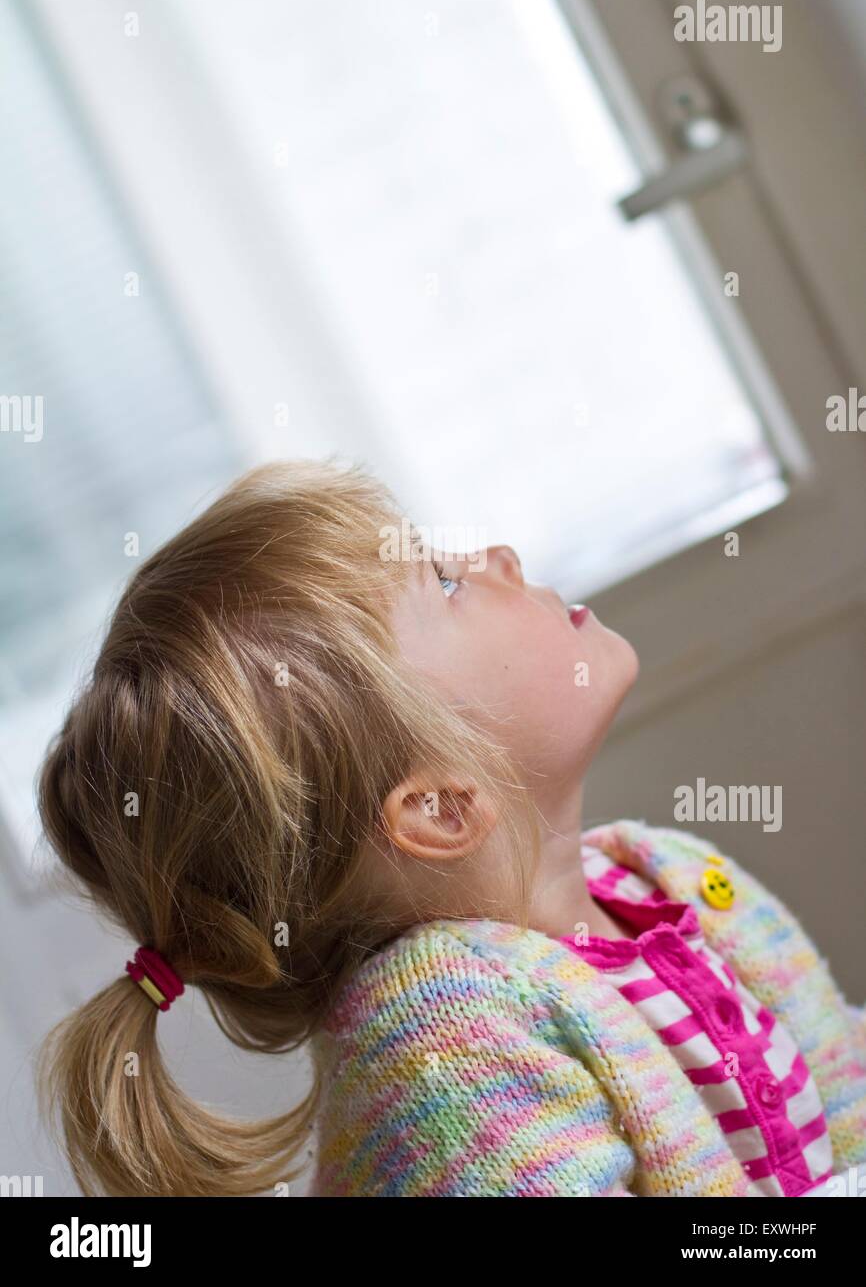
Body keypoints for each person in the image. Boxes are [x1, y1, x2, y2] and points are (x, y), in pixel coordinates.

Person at [36, 460, 866, 1196]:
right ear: (438, 807)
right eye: (444, 582)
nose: (496, 556)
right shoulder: (440, 1045)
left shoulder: (673, 875)